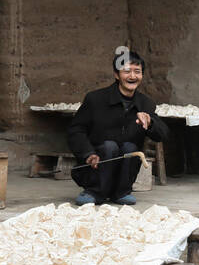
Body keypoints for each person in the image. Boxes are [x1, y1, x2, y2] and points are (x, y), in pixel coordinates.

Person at [67, 51, 170, 205]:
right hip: (95, 168)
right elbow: (76, 130)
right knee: (109, 147)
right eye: (127, 71)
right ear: (116, 74)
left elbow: (163, 134)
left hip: (125, 174)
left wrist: (151, 123)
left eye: (137, 71)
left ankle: (122, 192)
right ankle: (94, 192)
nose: (132, 76)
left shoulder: (145, 103)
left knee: (130, 148)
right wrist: (88, 153)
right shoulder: (95, 99)